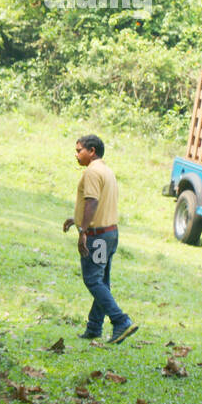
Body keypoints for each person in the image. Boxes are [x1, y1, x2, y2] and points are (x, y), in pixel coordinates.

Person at [62, 134, 137, 344]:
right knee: (101, 280)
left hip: (97, 237)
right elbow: (96, 204)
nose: (76, 155)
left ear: (91, 151)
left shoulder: (92, 173)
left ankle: (120, 320)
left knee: (93, 280)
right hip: (109, 233)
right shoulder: (106, 171)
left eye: (79, 150)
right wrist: (76, 219)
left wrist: (83, 232)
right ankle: (94, 327)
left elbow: (93, 202)